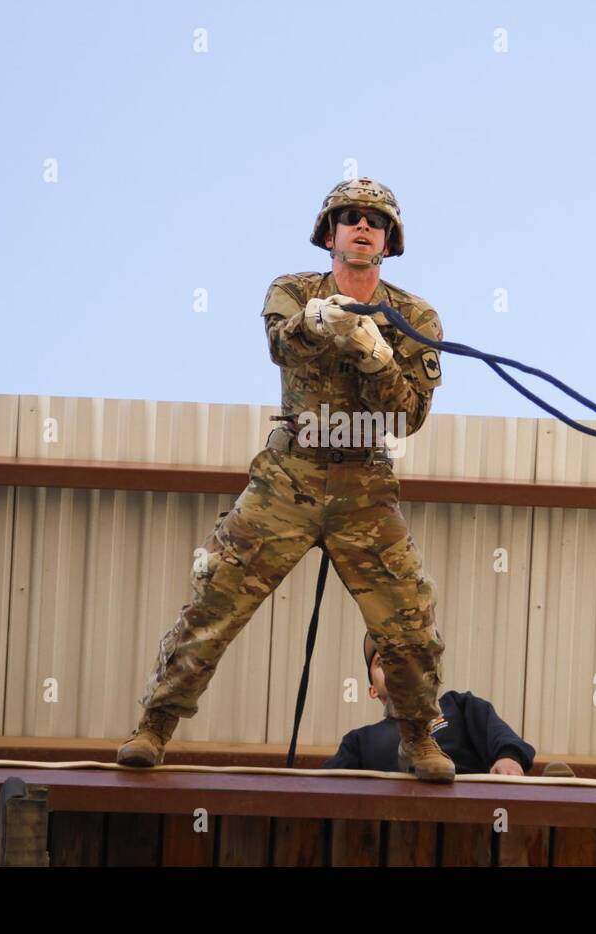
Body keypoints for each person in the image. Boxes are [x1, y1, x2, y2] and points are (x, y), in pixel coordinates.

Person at [117, 178, 455, 782]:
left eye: (374, 221)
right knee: (215, 599)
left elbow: (409, 415)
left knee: (408, 621)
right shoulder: (295, 292)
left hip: (364, 487)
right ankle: (154, 727)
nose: (361, 226)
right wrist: (320, 323)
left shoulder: (414, 316)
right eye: (348, 217)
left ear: (388, 240)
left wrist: (377, 355)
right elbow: (282, 346)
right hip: (288, 479)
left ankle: (418, 740)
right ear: (329, 233)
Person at [324, 633, 534, 775]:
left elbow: (501, 737)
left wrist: (509, 760)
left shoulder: (459, 706)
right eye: (382, 662)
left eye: (403, 658)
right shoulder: (360, 741)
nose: (395, 666)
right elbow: (322, 788)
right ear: (373, 690)